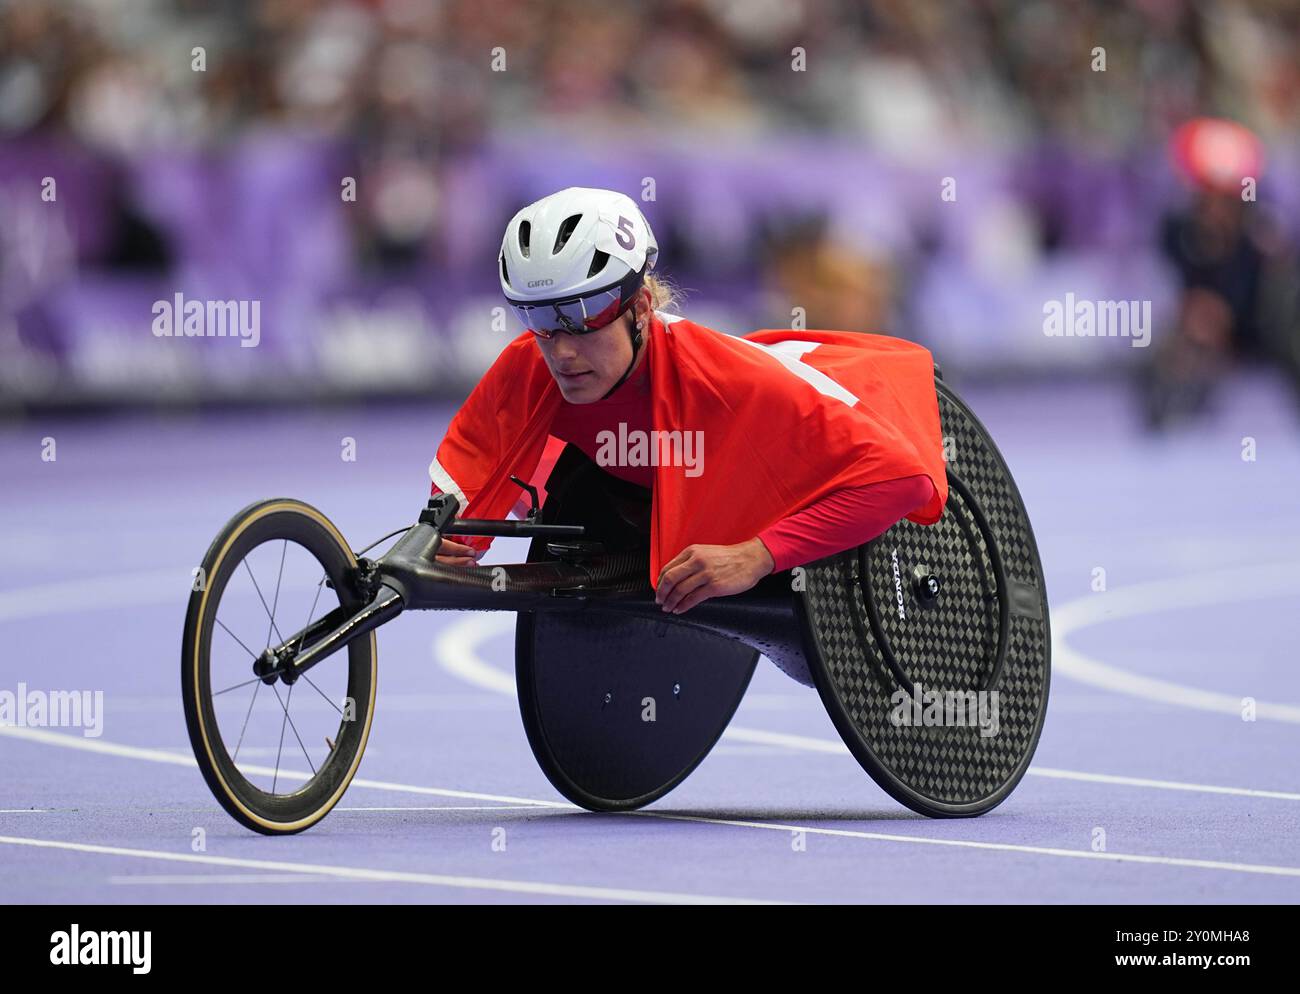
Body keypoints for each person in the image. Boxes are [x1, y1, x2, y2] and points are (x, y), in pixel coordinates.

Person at [428, 187, 947, 614]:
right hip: (649, 492)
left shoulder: (732, 383)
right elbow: (463, 496)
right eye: (539, 319)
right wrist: (451, 547)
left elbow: (905, 478)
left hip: (827, 428)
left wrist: (758, 556)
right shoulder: (530, 363)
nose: (561, 350)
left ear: (641, 307)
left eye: (582, 317)